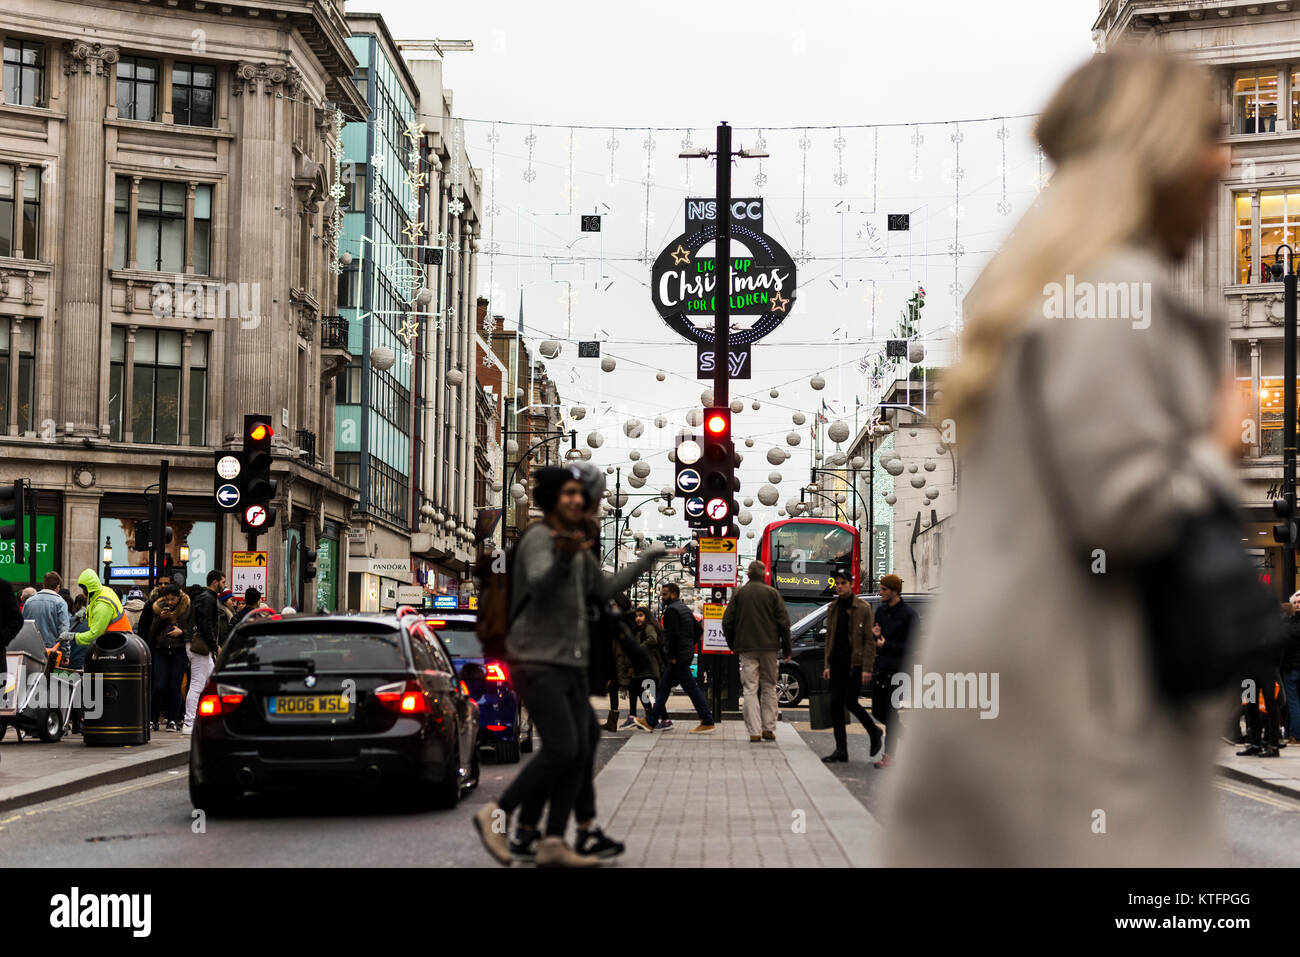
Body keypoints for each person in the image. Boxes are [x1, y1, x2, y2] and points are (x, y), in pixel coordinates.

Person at [887, 51, 1237, 866]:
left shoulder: (1054, 295)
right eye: (1209, 135)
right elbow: (1126, 509)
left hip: (1013, 714)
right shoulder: (1117, 296)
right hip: (1080, 735)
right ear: (1154, 149)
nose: (1226, 161)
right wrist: (1216, 444)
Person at [473, 465, 666, 868]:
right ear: (552, 499)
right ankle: (497, 814)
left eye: (580, 494)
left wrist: (646, 561)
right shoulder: (540, 539)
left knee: (584, 745)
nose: (577, 500)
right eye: (568, 493)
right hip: (536, 660)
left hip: (569, 662)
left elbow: (603, 590)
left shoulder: (574, 544)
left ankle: (553, 840)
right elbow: (540, 585)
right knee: (562, 747)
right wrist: (564, 556)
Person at [722, 560, 792, 743]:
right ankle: (768, 728)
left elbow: (727, 622)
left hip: (746, 648)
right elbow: (784, 622)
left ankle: (754, 731)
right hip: (769, 647)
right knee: (769, 686)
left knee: (750, 688)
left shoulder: (739, 594)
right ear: (764, 575)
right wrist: (787, 648)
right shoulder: (773, 593)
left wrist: (733, 644)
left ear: (748, 575)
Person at [634, 582, 715, 734]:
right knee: (664, 687)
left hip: (677, 656)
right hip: (684, 653)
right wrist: (689, 644)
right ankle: (651, 721)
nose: (662, 597)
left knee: (690, 688)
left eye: (665, 594)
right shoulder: (684, 608)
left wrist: (672, 655)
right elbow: (699, 630)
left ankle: (707, 720)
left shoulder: (671, 610)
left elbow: (673, 635)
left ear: (674, 594)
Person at [820, 570, 883, 762]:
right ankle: (841, 749)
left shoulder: (863, 607)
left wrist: (867, 668)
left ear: (851, 584)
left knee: (850, 701)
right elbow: (829, 637)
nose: (839, 586)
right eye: (837, 583)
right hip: (837, 663)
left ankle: (874, 731)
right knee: (835, 705)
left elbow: (869, 641)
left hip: (854, 664)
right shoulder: (833, 607)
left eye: (843, 583)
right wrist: (827, 664)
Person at [870, 573, 917, 768]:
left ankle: (889, 756)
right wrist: (875, 636)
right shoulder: (881, 611)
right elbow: (877, 639)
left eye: (884, 589)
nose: (880, 592)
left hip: (899, 671)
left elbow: (913, 645)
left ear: (895, 591)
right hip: (882, 667)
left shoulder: (908, 614)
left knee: (890, 713)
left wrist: (887, 645)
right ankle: (907, 735)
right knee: (877, 710)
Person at [146, 582, 193, 731]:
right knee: (159, 686)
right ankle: (152, 719)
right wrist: (160, 619)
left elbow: (193, 629)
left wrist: (182, 632)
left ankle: (173, 719)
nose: (170, 602)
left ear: (179, 597)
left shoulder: (187, 608)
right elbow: (152, 632)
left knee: (175, 686)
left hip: (179, 651)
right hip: (161, 650)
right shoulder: (159, 608)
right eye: (167, 599)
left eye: (173, 599)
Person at [182, 570, 224, 735]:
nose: (224, 585)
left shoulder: (207, 598)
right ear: (215, 582)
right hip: (200, 645)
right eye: (223, 582)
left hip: (200, 645)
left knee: (211, 682)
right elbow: (206, 624)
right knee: (197, 684)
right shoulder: (208, 599)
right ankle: (189, 723)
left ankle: (207, 718)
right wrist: (215, 646)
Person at [620, 606, 664, 729]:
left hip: (647, 668)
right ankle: (648, 718)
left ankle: (656, 719)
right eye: (636, 616)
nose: (638, 618)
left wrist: (638, 648)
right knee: (642, 691)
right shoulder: (640, 630)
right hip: (643, 667)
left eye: (641, 615)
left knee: (650, 693)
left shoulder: (648, 627)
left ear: (646, 616)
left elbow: (653, 639)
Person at [22, 571, 69, 649]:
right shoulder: (60, 603)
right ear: (58, 586)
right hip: (52, 650)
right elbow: (64, 632)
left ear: (44, 585)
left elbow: (23, 626)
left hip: (31, 649)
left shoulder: (29, 601)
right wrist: (66, 651)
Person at [1283, 593, 1300, 745]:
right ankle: (1291, 732)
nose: (1297, 605)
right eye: (1295, 602)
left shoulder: (1289, 625)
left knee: (1293, 702)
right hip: (1294, 666)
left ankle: (1295, 735)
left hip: (1292, 667)